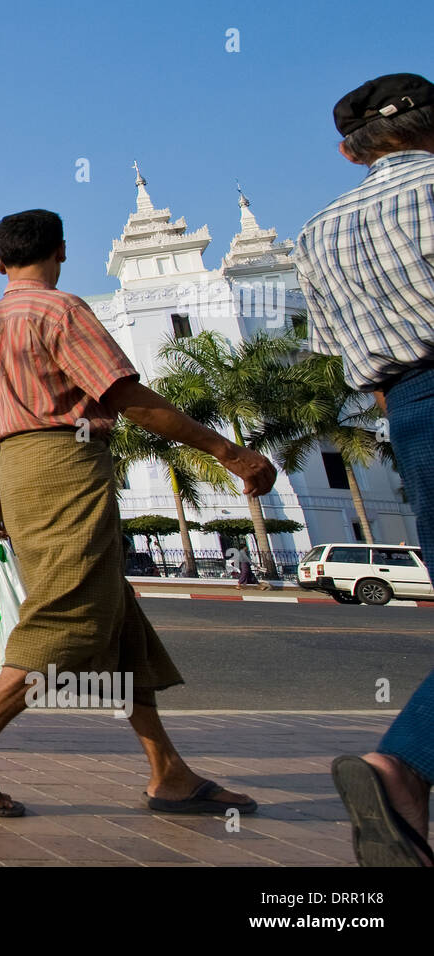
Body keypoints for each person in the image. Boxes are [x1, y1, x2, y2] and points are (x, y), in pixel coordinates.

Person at [0, 209, 276, 817]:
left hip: (15, 466)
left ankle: (169, 772)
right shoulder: (62, 311)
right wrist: (227, 450)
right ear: (61, 250)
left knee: (115, 617)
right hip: (66, 461)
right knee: (76, 610)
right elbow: (125, 396)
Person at [294, 72, 434, 866]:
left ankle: (404, 769)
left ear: (349, 152)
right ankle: (403, 767)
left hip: (412, 407)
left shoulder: (317, 234)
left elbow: (343, 356)